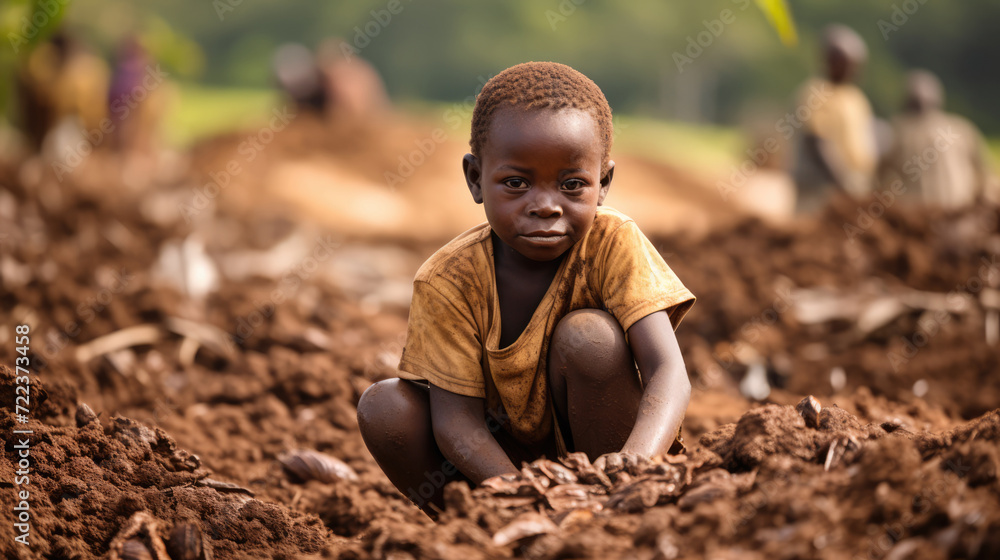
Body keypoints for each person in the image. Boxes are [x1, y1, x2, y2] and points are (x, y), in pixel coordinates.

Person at [356, 62, 696, 515]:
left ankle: (621, 522)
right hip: (502, 477)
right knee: (385, 408)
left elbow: (668, 373)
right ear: (476, 179)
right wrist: (529, 497)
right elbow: (457, 423)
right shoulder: (448, 281)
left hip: (614, 467)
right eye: (516, 184)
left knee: (588, 337)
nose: (545, 207)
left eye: (573, 185)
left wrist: (635, 464)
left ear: (604, 183)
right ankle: (479, 533)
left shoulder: (614, 243)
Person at [877, 70, 996, 208]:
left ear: (907, 102)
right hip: (961, 214)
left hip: (919, 219)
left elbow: (878, 177)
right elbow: (986, 177)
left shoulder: (898, 131)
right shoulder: (962, 129)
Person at [792, 24, 879, 212]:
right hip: (821, 188)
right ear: (830, 61)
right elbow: (817, 143)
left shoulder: (856, 98)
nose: (852, 69)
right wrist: (844, 185)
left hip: (853, 184)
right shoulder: (815, 93)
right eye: (846, 63)